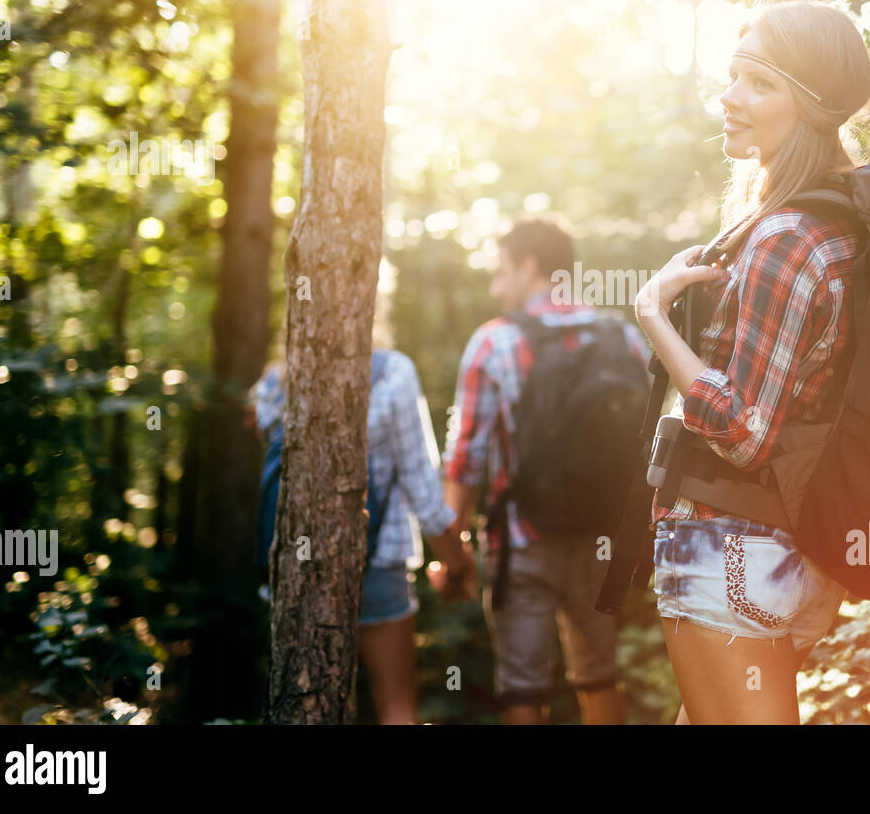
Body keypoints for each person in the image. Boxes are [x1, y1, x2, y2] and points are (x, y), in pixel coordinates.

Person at [634, 0, 870, 724]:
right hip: (787, 549)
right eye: (735, 75)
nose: (730, 98)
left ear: (810, 105)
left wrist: (652, 316)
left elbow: (744, 430)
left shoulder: (786, 236)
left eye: (760, 83)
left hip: (726, 549)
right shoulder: (846, 216)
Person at [443, 215, 649, 724]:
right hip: (600, 537)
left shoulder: (495, 342)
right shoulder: (620, 335)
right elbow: (651, 431)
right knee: (600, 676)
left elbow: (466, 460)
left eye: (501, 271)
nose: (496, 286)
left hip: (522, 542)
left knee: (522, 690)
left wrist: (452, 551)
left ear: (528, 267)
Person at [251, 315, 473, 725]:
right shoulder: (391, 374)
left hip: (291, 574)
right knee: (396, 708)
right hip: (375, 565)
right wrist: (457, 563)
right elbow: (425, 495)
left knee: (304, 706)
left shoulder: (273, 384)